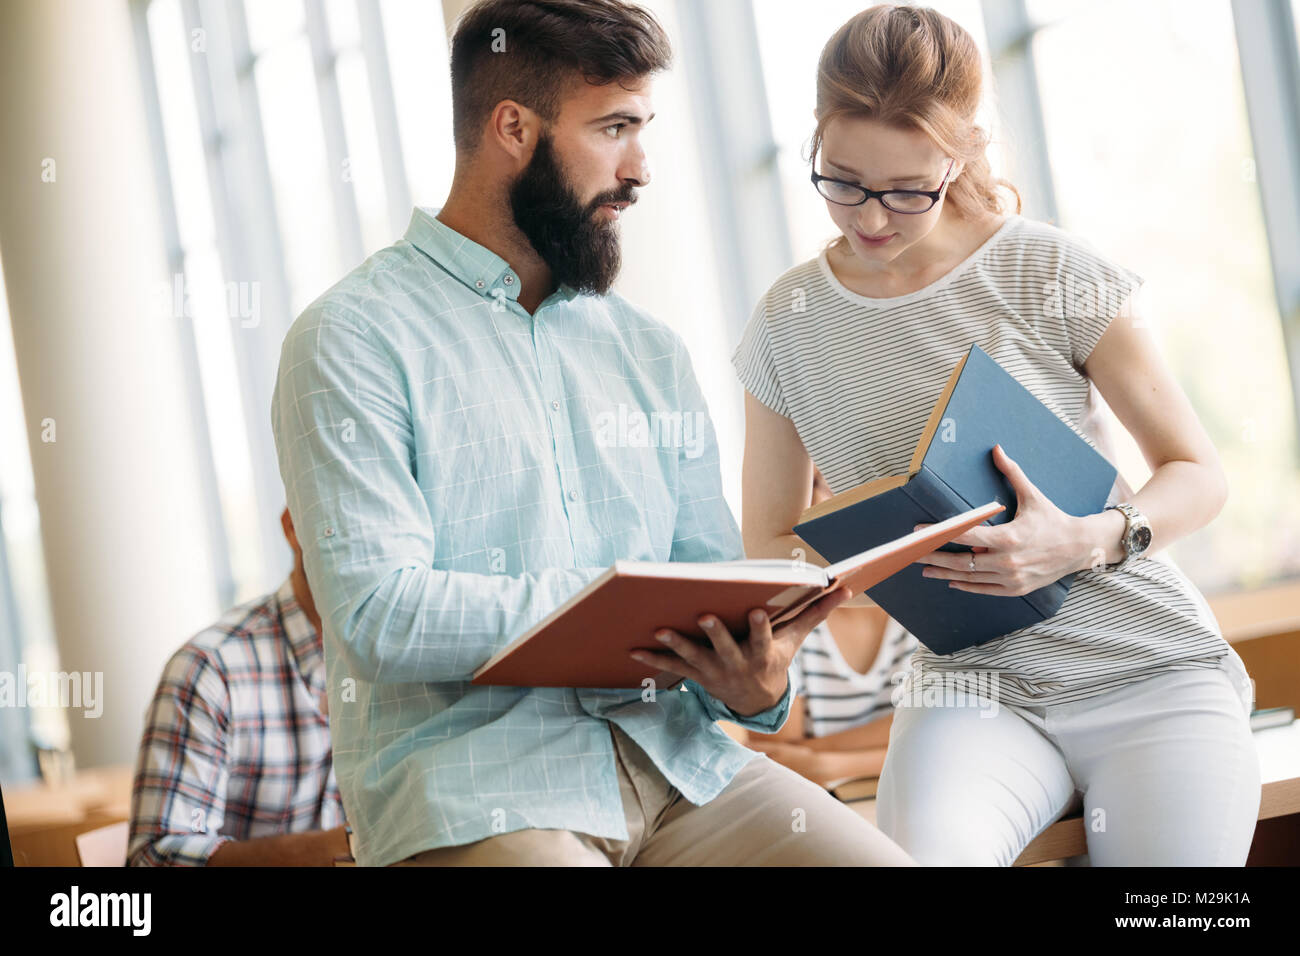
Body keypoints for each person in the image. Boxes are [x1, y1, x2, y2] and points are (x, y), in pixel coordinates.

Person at [269, 0, 913, 867]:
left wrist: (757, 680)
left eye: (644, 129)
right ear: (512, 128)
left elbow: (714, 582)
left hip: (684, 767)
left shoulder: (650, 353)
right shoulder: (350, 337)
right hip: (477, 788)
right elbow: (381, 614)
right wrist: (599, 604)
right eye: (615, 128)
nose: (640, 169)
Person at [733, 3, 1260, 866]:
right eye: (842, 180)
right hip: (972, 685)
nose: (870, 219)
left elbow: (1198, 472)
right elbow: (768, 548)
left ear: (962, 154)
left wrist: (1087, 540)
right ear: (817, 143)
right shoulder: (786, 325)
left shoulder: (1050, 269)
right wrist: (860, 575)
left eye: (907, 190)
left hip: (1147, 668)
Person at [128, 508, 349, 866]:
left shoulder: (422, 655)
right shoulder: (210, 669)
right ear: (294, 526)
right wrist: (341, 848)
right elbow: (155, 860)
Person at [740, 468, 917, 788]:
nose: (814, 500)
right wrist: (897, 737)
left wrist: (828, 765)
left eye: (832, 479)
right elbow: (775, 755)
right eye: (803, 484)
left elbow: (935, 733)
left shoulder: (917, 612)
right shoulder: (784, 620)